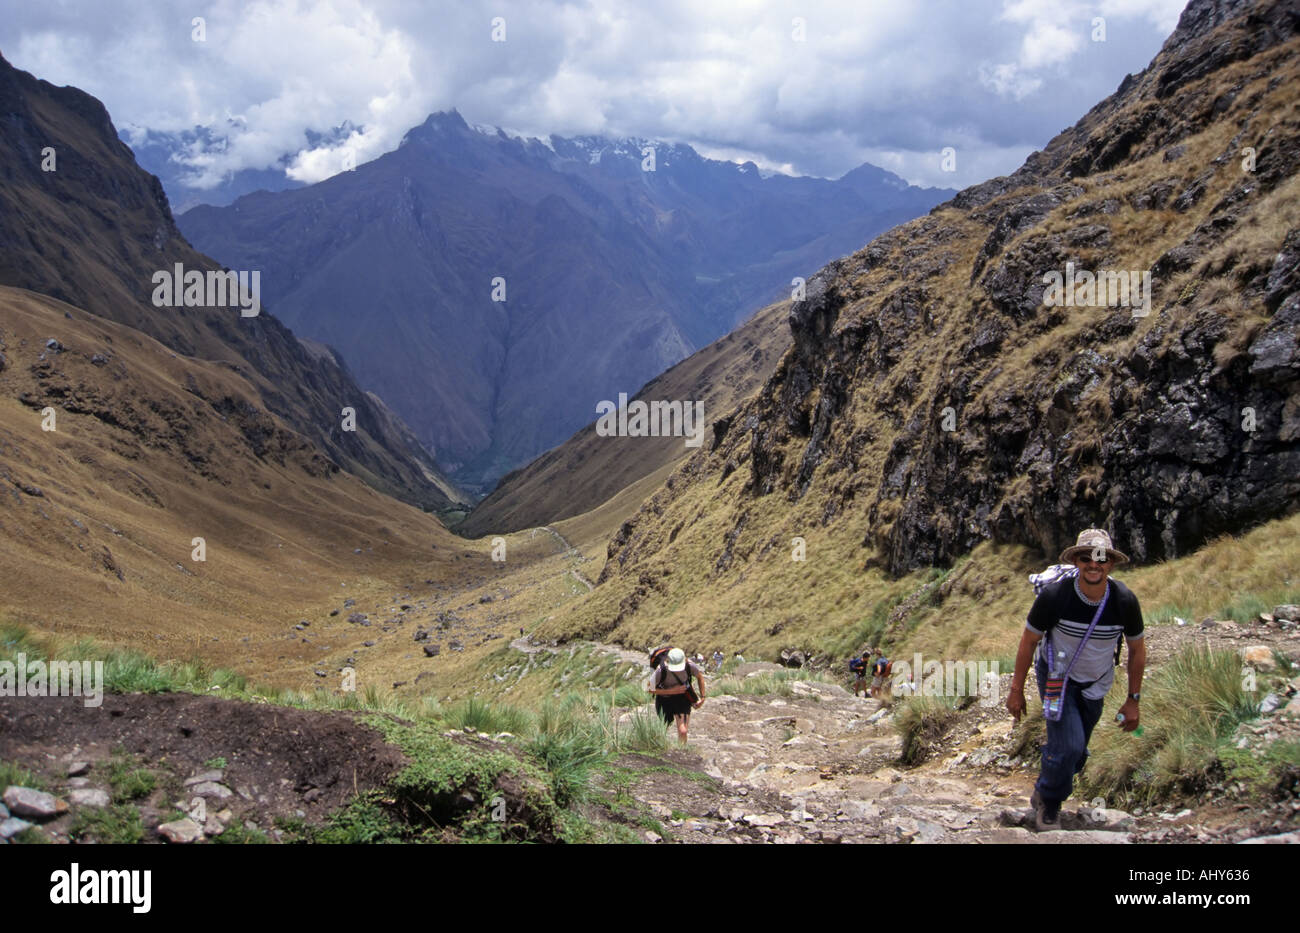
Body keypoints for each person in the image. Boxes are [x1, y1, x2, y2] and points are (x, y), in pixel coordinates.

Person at [1007, 529, 1146, 831]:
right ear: (1076, 561)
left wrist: (1133, 700)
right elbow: (1029, 642)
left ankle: (1045, 787)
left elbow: (1137, 649)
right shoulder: (1056, 596)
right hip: (1057, 678)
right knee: (1069, 746)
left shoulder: (1123, 601)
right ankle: (1050, 805)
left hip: (1096, 683)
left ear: (1110, 564)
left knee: (1078, 752)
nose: (1094, 565)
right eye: (1087, 558)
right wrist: (1016, 690)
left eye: (1101, 558)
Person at [649, 647, 706, 744]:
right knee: (662, 730)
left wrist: (703, 697)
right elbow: (649, 689)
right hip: (664, 699)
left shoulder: (690, 665)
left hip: (682, 698)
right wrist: (671, 691)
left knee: (683, 731)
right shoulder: (661, 669)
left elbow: (700, 677)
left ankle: (682, 754)